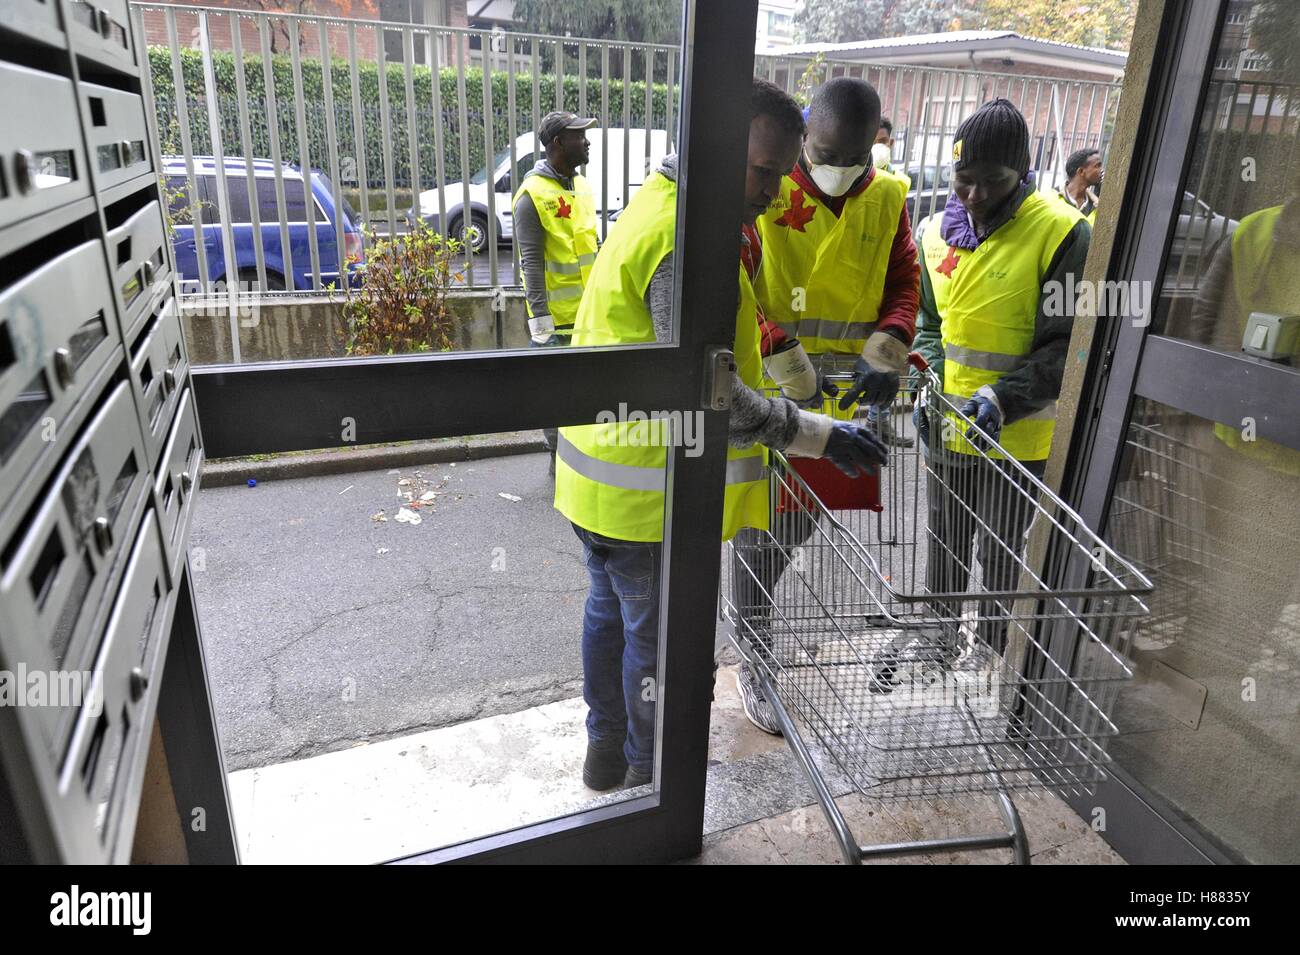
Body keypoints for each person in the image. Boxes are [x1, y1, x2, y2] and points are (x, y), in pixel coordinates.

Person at [553, 78, 888, 791]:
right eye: (764, 170)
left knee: (608, 615)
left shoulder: (662, 201)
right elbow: (719, 397)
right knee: (659, 644)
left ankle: (606, 753)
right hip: (645, 494)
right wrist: (822, 435)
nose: (775, 189)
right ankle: (652, 781)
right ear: (714, 149)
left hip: (602, 479)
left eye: (782, 170)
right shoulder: (688, 241)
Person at [732, 78, 921, 734]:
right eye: (823, 154)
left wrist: (889, 349)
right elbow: (740, 286)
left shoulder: (890, 198)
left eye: (853, 158)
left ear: (875, 145)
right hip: (776, 394)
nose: (836, 170)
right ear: (805, 136)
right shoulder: (769, 185)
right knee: (761, 530)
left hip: (847, 402)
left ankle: (751, 627)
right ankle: (752, 652)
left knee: (795, 528)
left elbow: (905, 283)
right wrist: (784, 360)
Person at [907, 98, 1090, 672]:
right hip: (947, 425)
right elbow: (928, 322)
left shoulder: (1062, 233)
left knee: (1005, 549)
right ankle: (936, 640)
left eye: (995, 181)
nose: (976, 195)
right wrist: (927, 377)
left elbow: (1071, 345)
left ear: (1024, 172)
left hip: (1018, 435)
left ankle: (987, 654)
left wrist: (1001, 397)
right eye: (964, 180)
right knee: (946, 540)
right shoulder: (935, 230)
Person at [513, 110, 601, 471]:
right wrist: (541, 322)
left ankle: (581, 458)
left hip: (591, 313)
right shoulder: (530, 196)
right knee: (555, 395)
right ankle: (557, 459)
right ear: (558, 144)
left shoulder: (581, 187)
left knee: (588, 392)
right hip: (555, 321)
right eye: (580, 135)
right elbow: (530, 263)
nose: (588, 141)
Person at [1059, 147, 1102, 224]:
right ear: (1081, 171)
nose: (1101, 170)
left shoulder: (1096, 206)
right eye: (1097, 166)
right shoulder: (1051, 197)